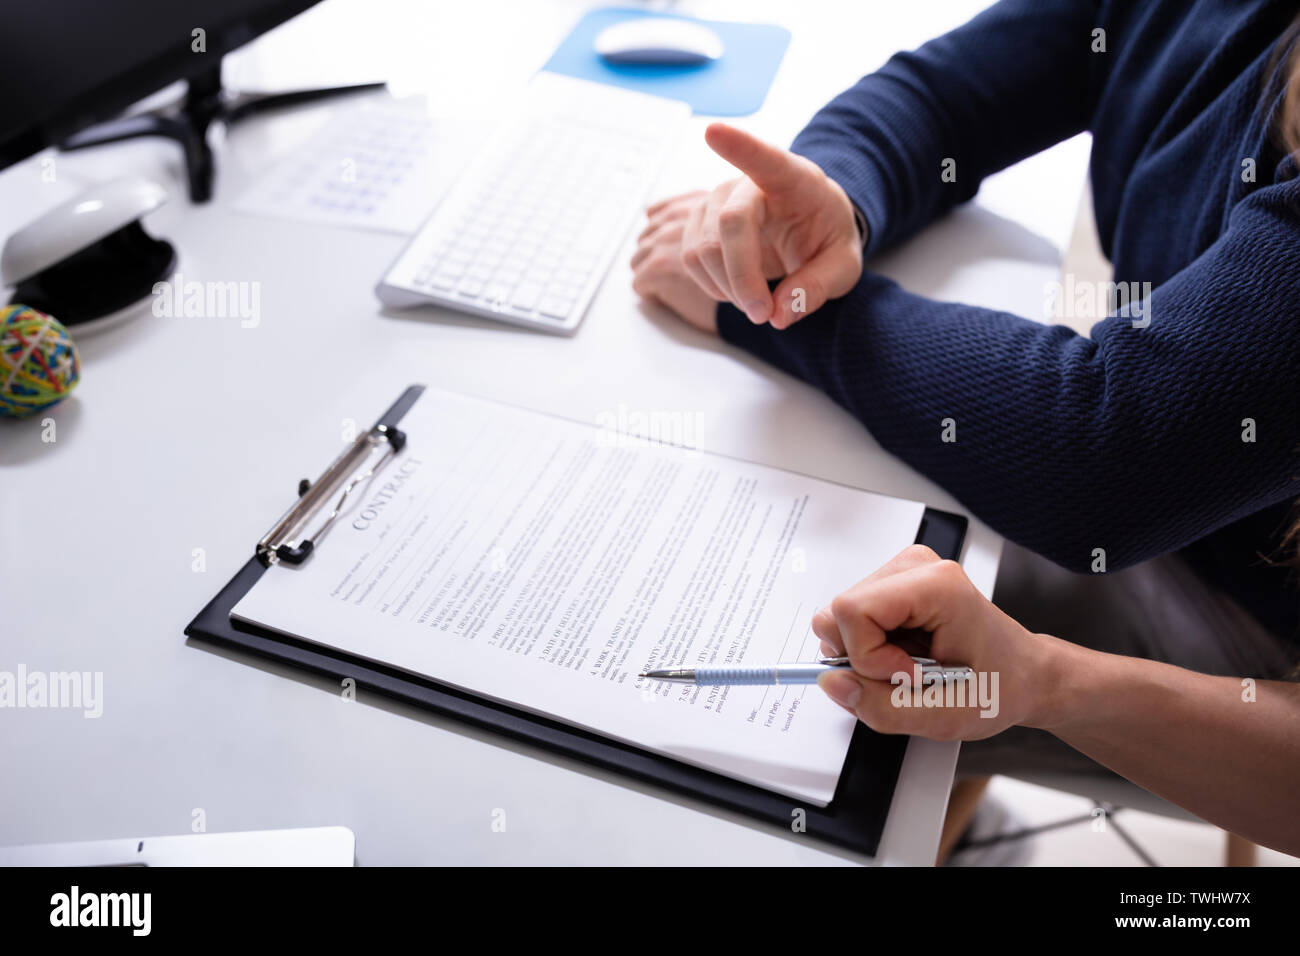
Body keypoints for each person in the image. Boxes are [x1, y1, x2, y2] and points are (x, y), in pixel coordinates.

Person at [631, 0, 1300, 856]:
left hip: (1257, 643)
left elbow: (1097, 457)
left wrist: (780, 319)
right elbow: (953, 93)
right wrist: (832, 200)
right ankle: (965, 817)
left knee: (801, 643)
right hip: (1180, 498)